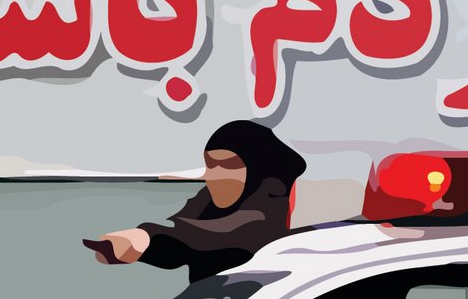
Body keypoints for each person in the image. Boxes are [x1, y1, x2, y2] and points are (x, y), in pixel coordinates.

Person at [84, 120, 305, 281]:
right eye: (210, 164)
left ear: (258, 169)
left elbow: (222, 232)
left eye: (228, 165)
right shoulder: (206, 199)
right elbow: (178, 246)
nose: (213, 176)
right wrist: (135, 250)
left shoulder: (269, 206)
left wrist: (145, 236)